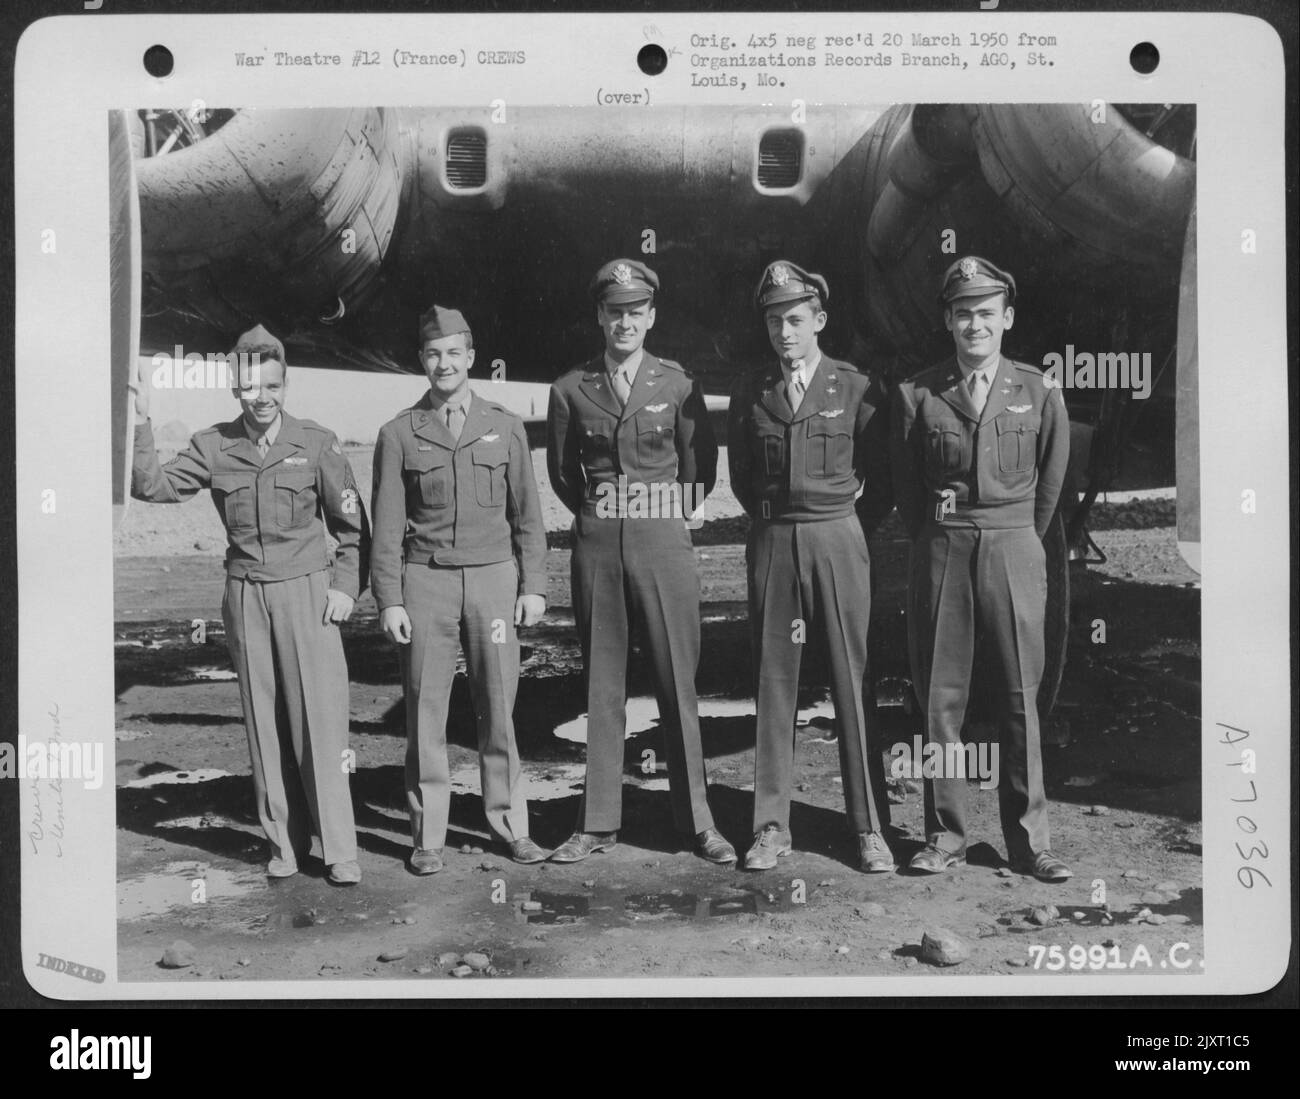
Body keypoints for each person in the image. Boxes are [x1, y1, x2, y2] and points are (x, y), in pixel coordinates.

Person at [131, 326, 367, 884]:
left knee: (321, 721)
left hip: (308, 592)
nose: (261, 397)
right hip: (245, 596)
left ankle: (340, 848)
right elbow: (154, 487)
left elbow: (352, 526)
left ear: (286, 384)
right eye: (250, 386)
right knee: (264, 725)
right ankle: (284, 843)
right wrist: (140, 418)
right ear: (234, 388)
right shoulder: (213, 445)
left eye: (272, 385)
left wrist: (345, 587)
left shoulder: (317, 442)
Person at [546, 259, 735, 866]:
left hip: (662, 542)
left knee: (677, 681)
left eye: (635, 312)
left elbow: (697, 463)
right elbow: (562, 473)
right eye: (613, 312)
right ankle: (596, 821)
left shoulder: (677, 384)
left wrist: (656, 511)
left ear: (650, 317)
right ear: (599, 316)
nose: (624, 322)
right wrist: (606, 515)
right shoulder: (570, 388)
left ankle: (698, 820)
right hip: (599, 543)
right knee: (602, 683)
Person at [891, 255, 1072, 882]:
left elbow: (1050, 486)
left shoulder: (1039, 390)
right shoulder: (918, 394)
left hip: (1016, 546)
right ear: (948, 320)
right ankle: (945, 836)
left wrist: (1016, 538)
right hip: (944, 548)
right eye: (964, 314)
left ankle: (1030, 842)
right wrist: (944, 537)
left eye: (986, 314)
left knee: (1021, 696)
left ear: (1007, 319)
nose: (975, 325)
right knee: (940, 700)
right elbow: (909, 492)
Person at [727, 261, 895, 873]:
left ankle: (869, 827)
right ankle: (770, 828)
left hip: (837, 538)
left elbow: (882, 478)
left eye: (795, 319)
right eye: (774, 321)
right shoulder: (752, 390)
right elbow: (743, 476)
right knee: (775, 683)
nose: (785, 332)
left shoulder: (855, 387)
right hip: (774, 539)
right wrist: (777, 517)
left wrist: (841, 523)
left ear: (819, 320)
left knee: (852, 679)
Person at [371, 306, 548, 874]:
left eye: (453, 353)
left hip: (494, 580)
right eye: (432, 354)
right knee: (425, 711)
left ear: (471, 358)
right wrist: (391, 599)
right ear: (421, 362)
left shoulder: (505, 425)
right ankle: (428, 836)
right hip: (426, 584)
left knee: (499, 705)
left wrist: (534, 585)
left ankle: (511, 823)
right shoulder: (399, 433)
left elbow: (529, 517)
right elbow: (387, 525)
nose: (443, 364)